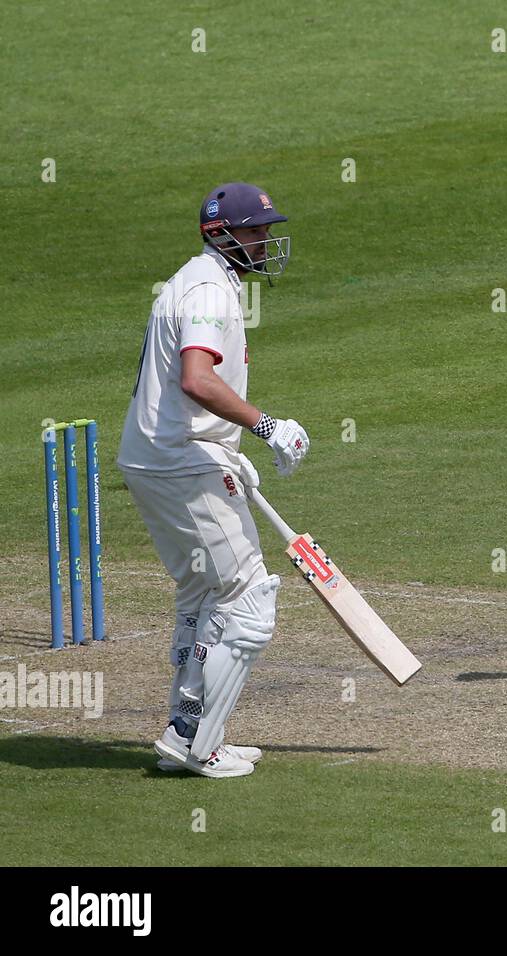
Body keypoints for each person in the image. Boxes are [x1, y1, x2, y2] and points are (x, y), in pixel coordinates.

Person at [117, 182, 309, 777]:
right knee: (249, 597)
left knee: (204, 591)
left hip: (163, 455)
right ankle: (198, 742)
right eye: (255, 231)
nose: (265, 241)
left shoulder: (201, 280)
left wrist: (224, 447)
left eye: (267, 231)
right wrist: (265, 426)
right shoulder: (207, 289)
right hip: (180, 460)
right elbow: (196, 379)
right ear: (222, 233)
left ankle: (186, 727)